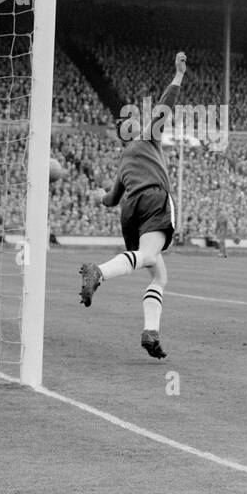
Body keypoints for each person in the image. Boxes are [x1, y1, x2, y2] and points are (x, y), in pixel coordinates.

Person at [78, 51, 186, 359]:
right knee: (149, 255)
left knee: (158, 273)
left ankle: (151, 332)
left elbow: (111, 199)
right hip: (153, 198)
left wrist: (98, 196)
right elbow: (165, 107)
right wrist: (177, 75)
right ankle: (99, 273)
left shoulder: (124, 160)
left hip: (130, 209)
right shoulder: (148, 139)